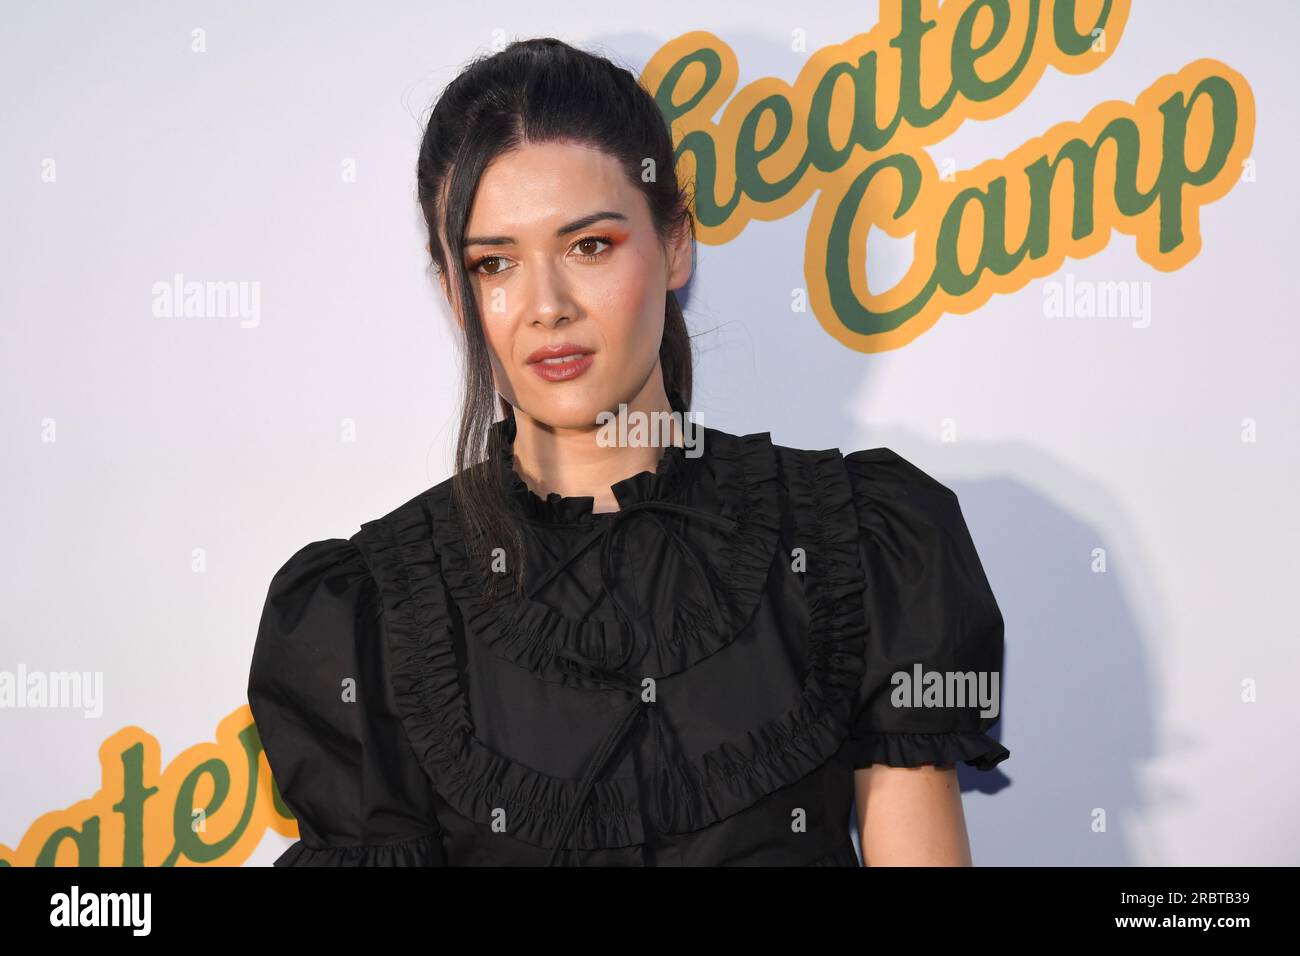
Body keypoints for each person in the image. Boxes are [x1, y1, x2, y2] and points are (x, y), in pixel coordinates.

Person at [246, 37, 1009, 867]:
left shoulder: (857, 547)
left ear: (676, 242)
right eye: (495, 263)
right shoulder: (372, 617)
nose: (547, 306)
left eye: (590, 246)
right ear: (455, 296)